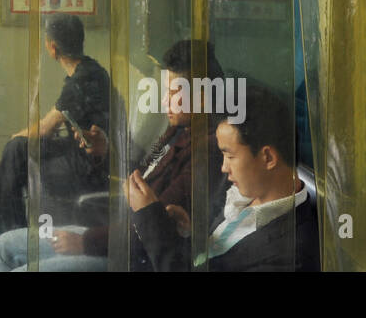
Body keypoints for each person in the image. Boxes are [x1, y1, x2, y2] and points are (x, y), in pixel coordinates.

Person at [0, 39, 227, 271]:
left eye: (173, 93)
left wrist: (85, 242)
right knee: (4, 247)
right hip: (113, 232)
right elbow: (140, 175)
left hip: (130, 254)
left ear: (204, 96)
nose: (164, 102)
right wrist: (107, 152)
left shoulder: (207, 152)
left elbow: (152, 226)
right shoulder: (177, 130)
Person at [0, 14, 121, 257]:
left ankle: (8, 236)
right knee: (17, 150)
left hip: (90, 163)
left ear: (53, 47)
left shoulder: (81, 80)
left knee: (15, 148)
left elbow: (45, 127)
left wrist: (14, 137)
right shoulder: (90, 69)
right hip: (83, 150)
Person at [130, 84, 319, 272]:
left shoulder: (293, 256)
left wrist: (150, 221)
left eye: (230, 156)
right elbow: (213, 259)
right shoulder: (245, 192)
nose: (223, 167)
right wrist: (190, 234)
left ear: (268, 158)